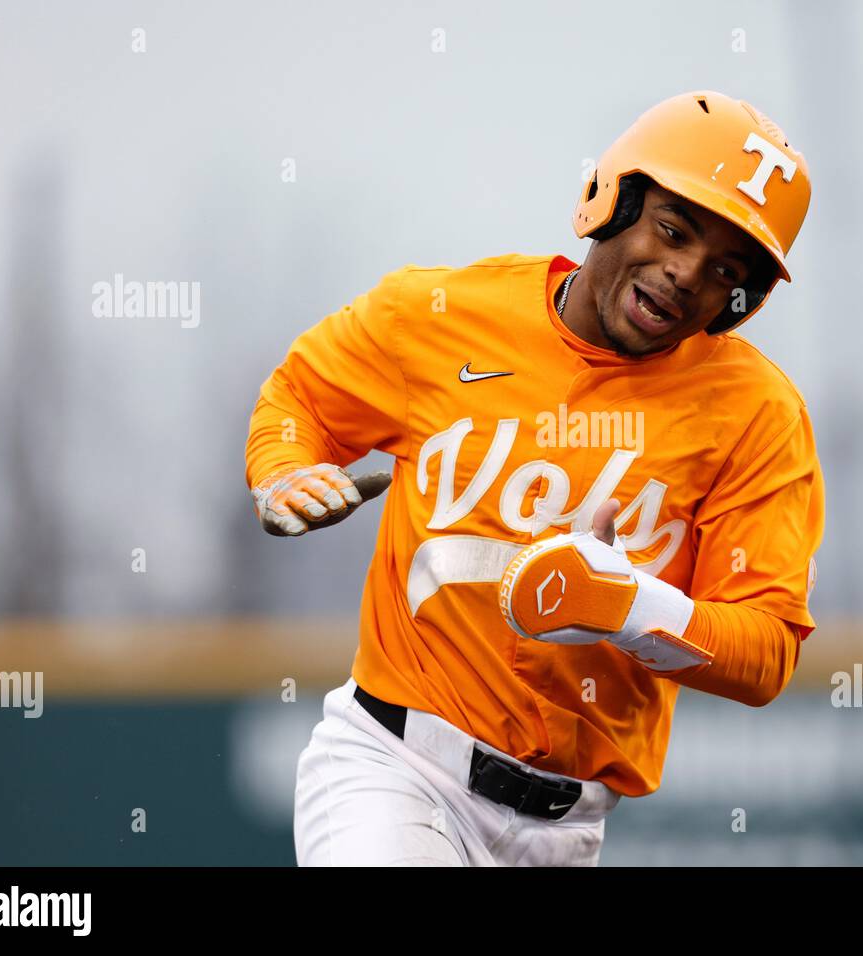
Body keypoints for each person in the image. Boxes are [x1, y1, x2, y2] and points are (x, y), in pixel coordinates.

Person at [243, 90, 824, 866]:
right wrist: (281, 467)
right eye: (673, 228)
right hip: (395, 770)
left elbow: (765, 653)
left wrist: (628, 606)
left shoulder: (757, 413)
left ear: (739, 301)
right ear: (611, 200)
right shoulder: (440, 315)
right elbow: (302, 396)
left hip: (568, 831)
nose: (686, 273)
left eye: (724, 268)